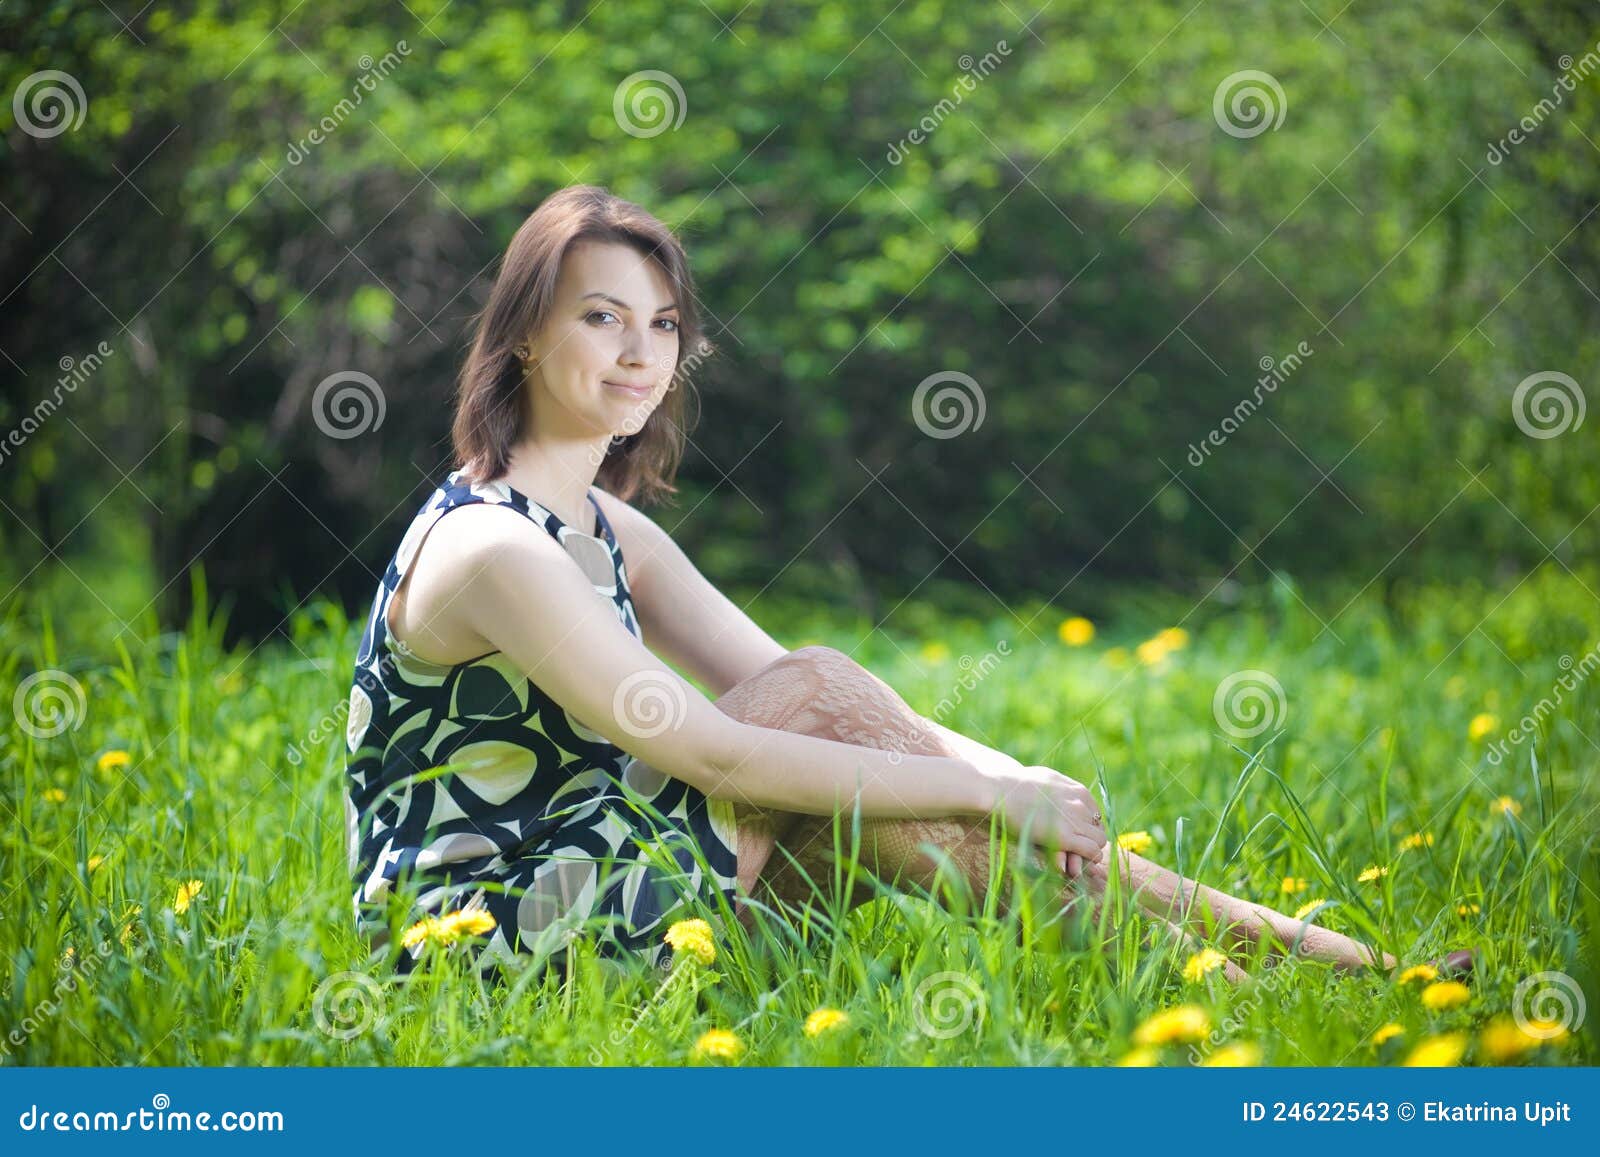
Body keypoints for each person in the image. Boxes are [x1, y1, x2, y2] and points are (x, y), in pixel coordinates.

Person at [343, 184, 1459, 985]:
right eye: (602, 316)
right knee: (832, 709)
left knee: (847, 735)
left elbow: (785, 685)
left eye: (665, 325)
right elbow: (714, 749)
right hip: (477, 937)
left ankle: (1286, 968)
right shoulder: (497, 548)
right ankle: (1308, 969)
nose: (642, 352)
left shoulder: (605, 526)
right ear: (526, 336)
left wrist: (1008, 768)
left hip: (614, 893)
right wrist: (982, 793)